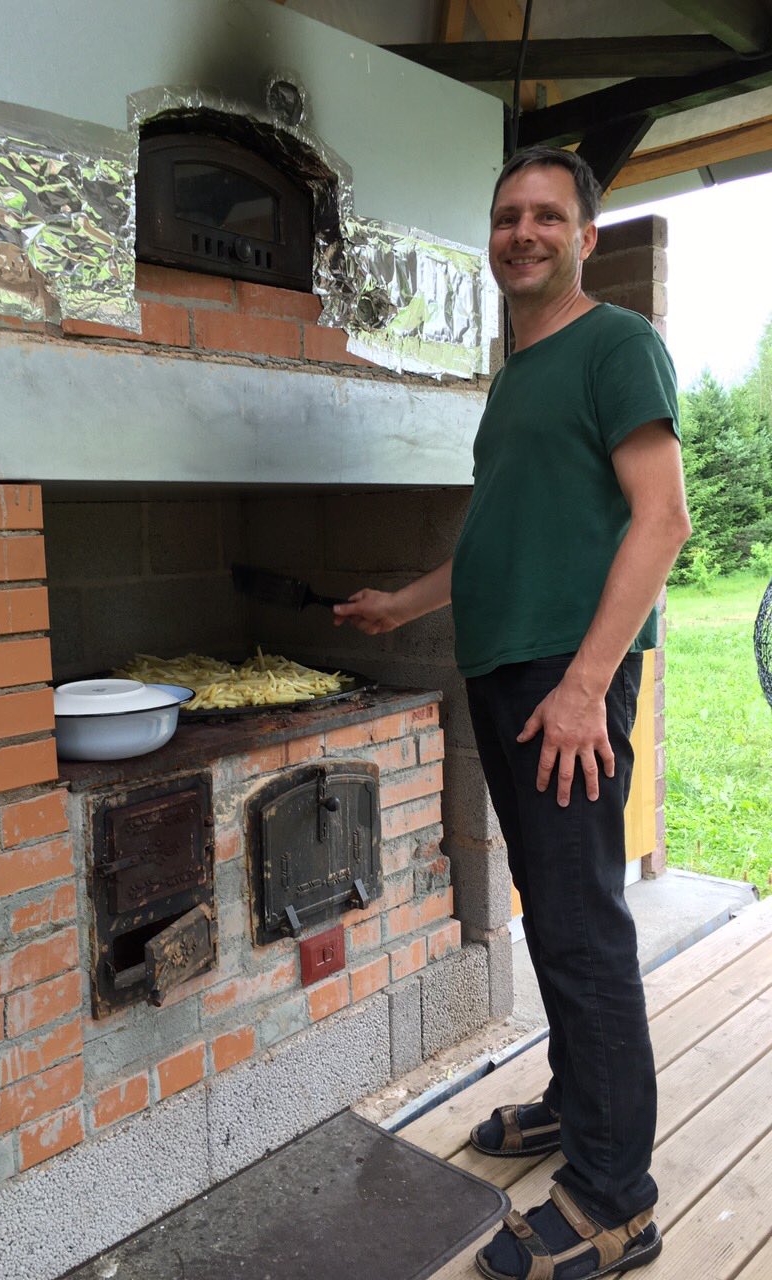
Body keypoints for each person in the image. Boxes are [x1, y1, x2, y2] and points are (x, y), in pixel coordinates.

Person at [333, 145, 690, 1280]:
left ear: (586, 235)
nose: (521, 232)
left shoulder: (616, 345)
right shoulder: (512, 375)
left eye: (546, 215)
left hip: (563, 681)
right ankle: (576, 1101)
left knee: (582, 928)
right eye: (505, 216)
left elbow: (664, 518)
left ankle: (614, 1198)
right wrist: (410, 597)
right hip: (510, 670)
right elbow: (504, 527)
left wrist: (588, 683)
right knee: (553, 912)